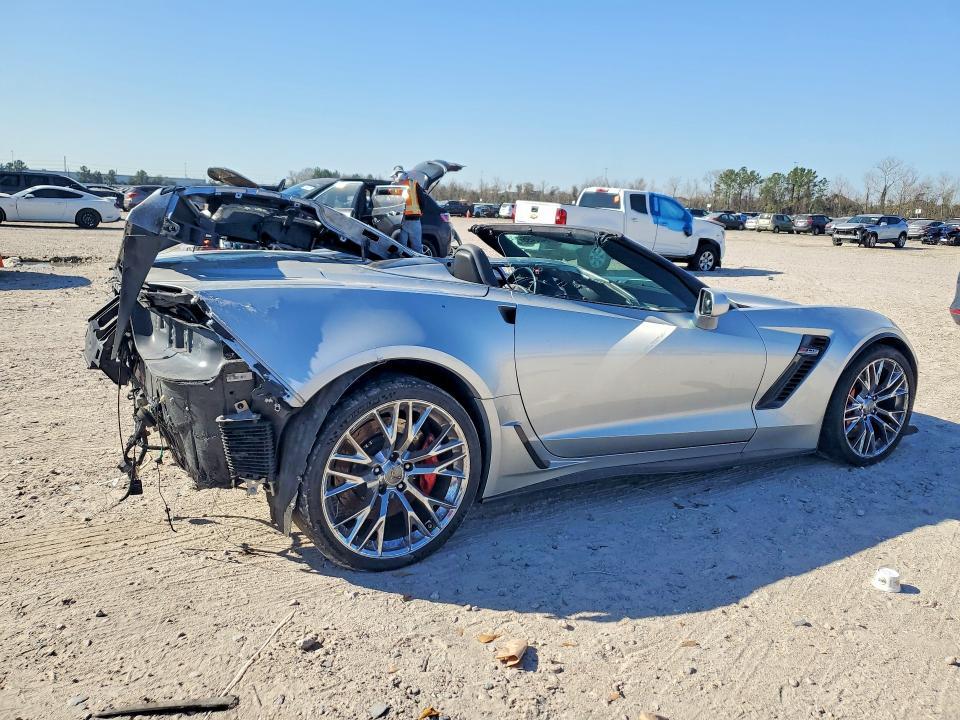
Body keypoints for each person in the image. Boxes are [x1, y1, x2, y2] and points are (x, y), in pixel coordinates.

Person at [396, 173, 423, 254]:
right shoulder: (414, 183)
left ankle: (401, 263)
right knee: (416, 247)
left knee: (401, 246)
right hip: (414, 218)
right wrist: (421, 211)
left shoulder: (396, 185)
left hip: (400, 219)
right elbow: (422, 199)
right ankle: (419, 264)